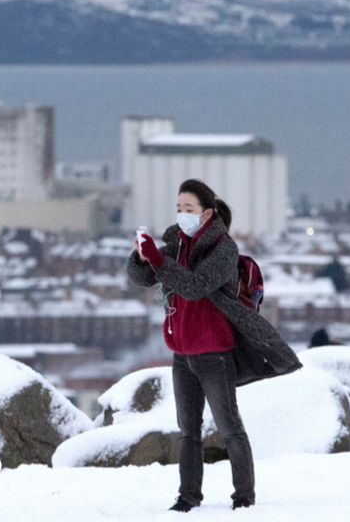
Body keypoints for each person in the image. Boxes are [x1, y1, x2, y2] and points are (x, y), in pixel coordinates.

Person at [127, 178, 301, 513]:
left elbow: (195, 286)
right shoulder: (175, 246)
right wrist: (140, 257)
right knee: (188, 431)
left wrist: (158, 260)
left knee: (228, 427)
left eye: (188, 209)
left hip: (213, 353)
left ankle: (244, 496)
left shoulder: (223, 249)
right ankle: (188, 496)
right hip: (182, 353)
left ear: (206, 213)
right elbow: (143, 277)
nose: (181, 215)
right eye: (178, 208)